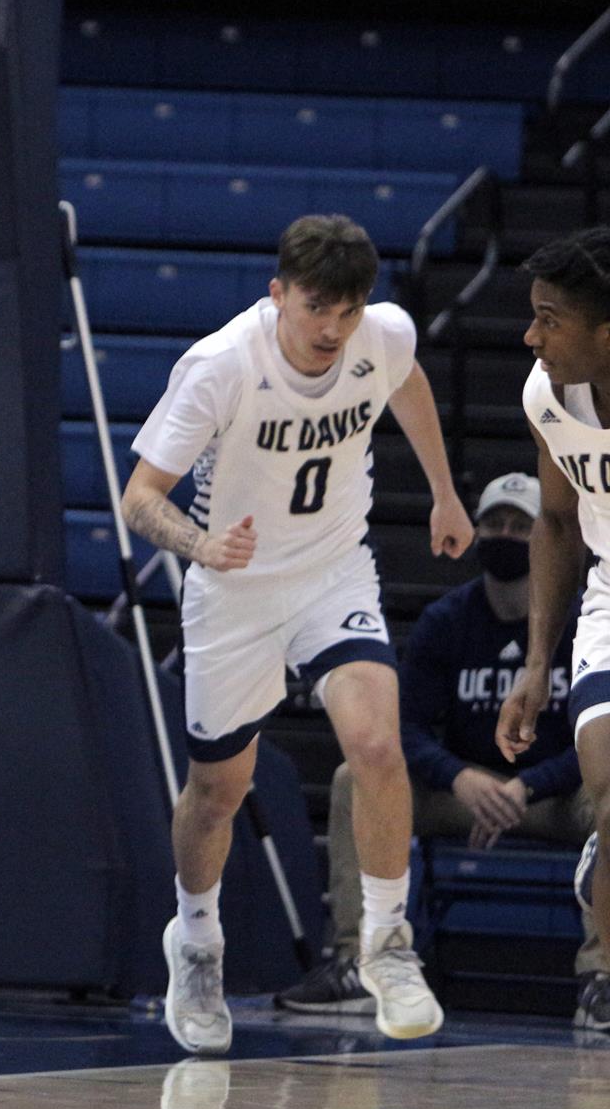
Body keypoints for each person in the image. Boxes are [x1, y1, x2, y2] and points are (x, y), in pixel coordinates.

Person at [121, 213, 472, 1055]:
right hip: (234, 590)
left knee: (377, 744)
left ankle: (385, 943)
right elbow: (139, 497)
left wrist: (444, 491)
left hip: (331, 571)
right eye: (316, 307)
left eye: (348, 311)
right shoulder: (220, 366)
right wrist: (201, 544)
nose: (332, 329)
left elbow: (408, 383)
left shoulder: (382, 336)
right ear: (278, 293)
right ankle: (195, 941)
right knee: (218, 790)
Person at [281, 472, 601, 1021]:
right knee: (352, 780)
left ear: (543, 539)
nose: (506, 535)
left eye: (520, 526)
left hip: (555, 795)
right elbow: (401, 727)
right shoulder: (448, 621)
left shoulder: (580, 623)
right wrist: (458, 776)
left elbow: (595, 735)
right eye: (495, 524)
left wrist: (529, 785)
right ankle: (359, 961)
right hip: (466, 792)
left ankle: (601, 979)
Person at [499, 225, 610, 1035]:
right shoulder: (546, 395)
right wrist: (537, 663)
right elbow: (556, 520)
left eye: (550, 319)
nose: (531, 337)